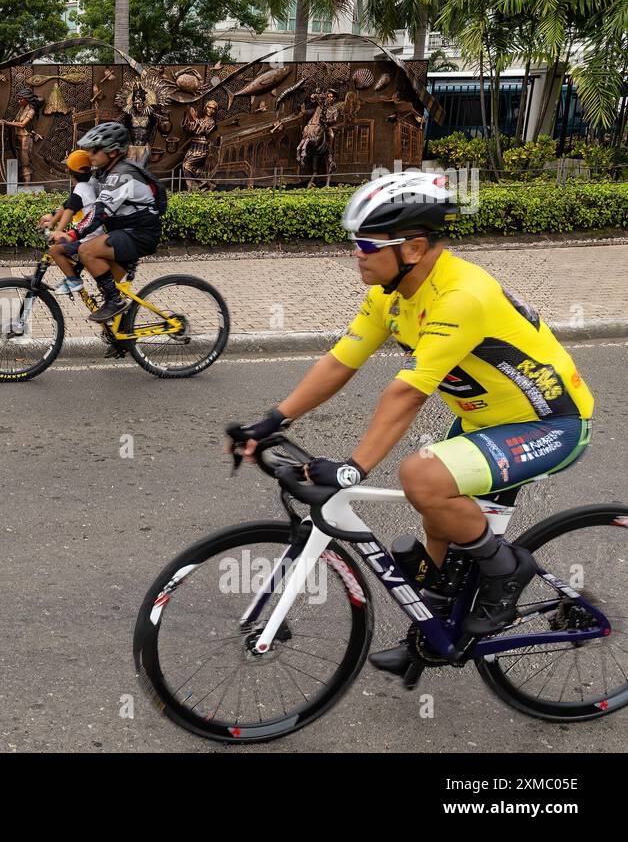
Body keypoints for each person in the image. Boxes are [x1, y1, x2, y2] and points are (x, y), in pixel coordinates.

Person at [228, 170, 594, 675]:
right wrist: (270, 421)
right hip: (483, 423)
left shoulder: (461, 296)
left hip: (553, 424)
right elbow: (340, 362)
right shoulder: (392, 294)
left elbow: (407, 392)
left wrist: (355, 467)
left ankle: (509, 571)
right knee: (435, 532)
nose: (355, 253)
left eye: (366, 243)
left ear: (415, 247)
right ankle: (433, 638)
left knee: (422, 476)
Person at [50, 121, 165, 323]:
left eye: (94, 151)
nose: (89, 156)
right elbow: (81, 200)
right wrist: (53, 216)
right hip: (124, 233)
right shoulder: (104, 173)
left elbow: (100, 212)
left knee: (86, 251)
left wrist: (72, 234)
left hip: (139, 234)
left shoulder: (122, 175)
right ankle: (121, 336)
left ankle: (115, 301)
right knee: (103, 279)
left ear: (112, 152)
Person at [36, 150, 98, 294]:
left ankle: (73, 280)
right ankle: (72, 275)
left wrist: (57, 229)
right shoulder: (85, 187)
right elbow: (67, 206)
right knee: (61, 243)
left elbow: (69, 210)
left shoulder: (81, 189)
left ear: (69, 170)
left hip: (88, 239)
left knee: (56, 251)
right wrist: (51, 217)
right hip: (88, 236)